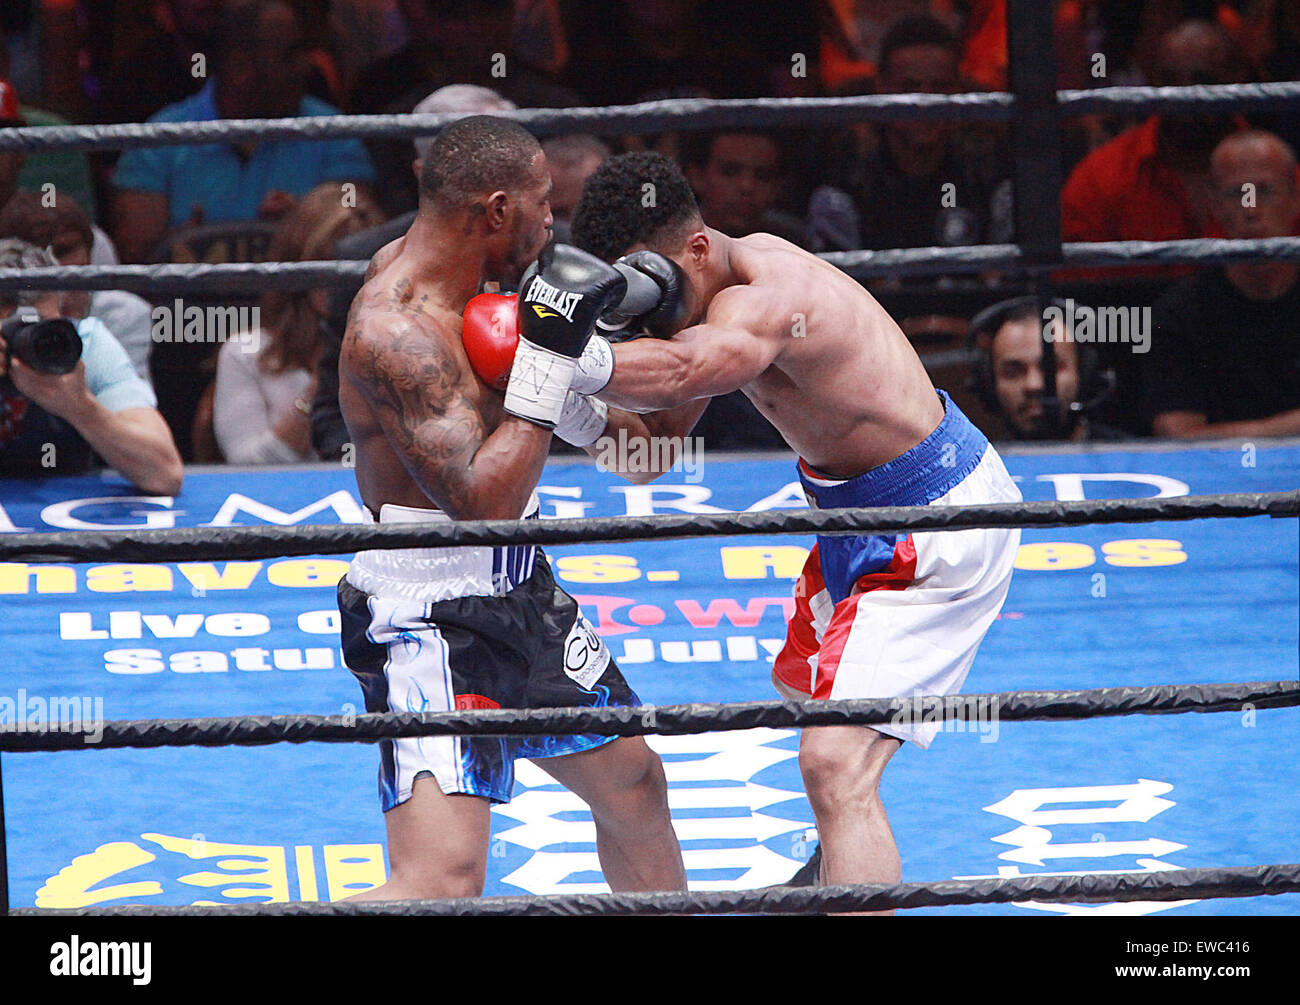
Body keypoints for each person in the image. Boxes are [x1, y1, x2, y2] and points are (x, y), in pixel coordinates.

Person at [570, 151, 1022, 907]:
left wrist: (560, 352)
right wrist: (564, 404)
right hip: (858, 518)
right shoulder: (696, 306)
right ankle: (836, 871)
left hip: (939, 516)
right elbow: (646, 454)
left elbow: (686, 370)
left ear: (698, 248)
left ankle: (849, 869)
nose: (650, 309)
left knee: (834, 765)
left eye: (653, 285)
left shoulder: (770, 292)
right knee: (803, 687)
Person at [335, 117, 700, 899]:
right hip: (428, 606)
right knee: (442, 879)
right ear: (496, 209)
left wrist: (682, 337)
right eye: (542, 206)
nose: (552, 223)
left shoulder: (493, 282)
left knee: (634, 784)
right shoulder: (394, 329)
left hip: (516, 584)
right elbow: (484, 501)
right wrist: (545, 365)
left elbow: (644, 456)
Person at [310, 84, 516, 460]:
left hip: (542, 468)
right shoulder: (366, 258)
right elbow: (331, 418)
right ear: (423, 174)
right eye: (466, 174)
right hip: (414, 485)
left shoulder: (553, 254)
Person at [109, 0, 376, 263]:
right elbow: (135, 257)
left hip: (299, 303)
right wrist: (183, 247)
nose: (306, 66)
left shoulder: (334, 134)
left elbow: (362, 236)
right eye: (290, 54)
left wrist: (308, 225)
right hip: (186, 307)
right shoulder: (159, 141)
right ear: (239, 66)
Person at [212, 183, 386, 464]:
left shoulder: (401, 345)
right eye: (328, 265)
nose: (341, 286)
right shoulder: (245, 353)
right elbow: (247, 466)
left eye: (355, 271)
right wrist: (323, 385)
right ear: (300, 264)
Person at [1143, 130, 1300, 438]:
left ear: (1295, 198)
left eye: (1265, 191)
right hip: (1222, 479)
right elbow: (1175, 434)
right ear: (1213, 204)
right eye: (1236, 194)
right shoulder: (1180, 312)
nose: (1251, 210)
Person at [0, 240, 183, 494]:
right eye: (15, 328)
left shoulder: (81, 343)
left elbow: (165, 474)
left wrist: (81, 407)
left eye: (42, 324)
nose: (29, 339)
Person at [0, 189, 154, 383]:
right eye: (38, 255)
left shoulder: (121, 315)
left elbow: (131, 407)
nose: (53, 265)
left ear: (88, 256)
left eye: (63, 250)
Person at [967, 296, 1126, 443]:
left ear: (1084, 372)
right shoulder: (978, 469)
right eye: (1013, 372)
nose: (1034, 385)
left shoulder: (1130, 461)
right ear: (988, 383)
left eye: (1050, 368)